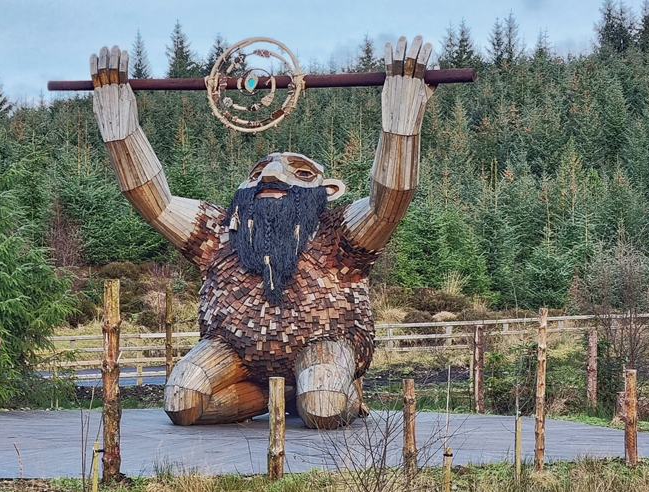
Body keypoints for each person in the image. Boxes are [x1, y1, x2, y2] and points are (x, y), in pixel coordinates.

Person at [90, 36, 433, 429]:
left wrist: (401, 121)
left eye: (300, 173)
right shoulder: (221, 233)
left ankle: (331, 393)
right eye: (258, 173)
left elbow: (389, 199)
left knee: (322, 405)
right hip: (233, 352)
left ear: (328, 191)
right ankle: (280, 395)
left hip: (324, 345)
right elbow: (156, 202)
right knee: (182, 401)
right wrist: (120, 128)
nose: (271, 175)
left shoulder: (338, 237)